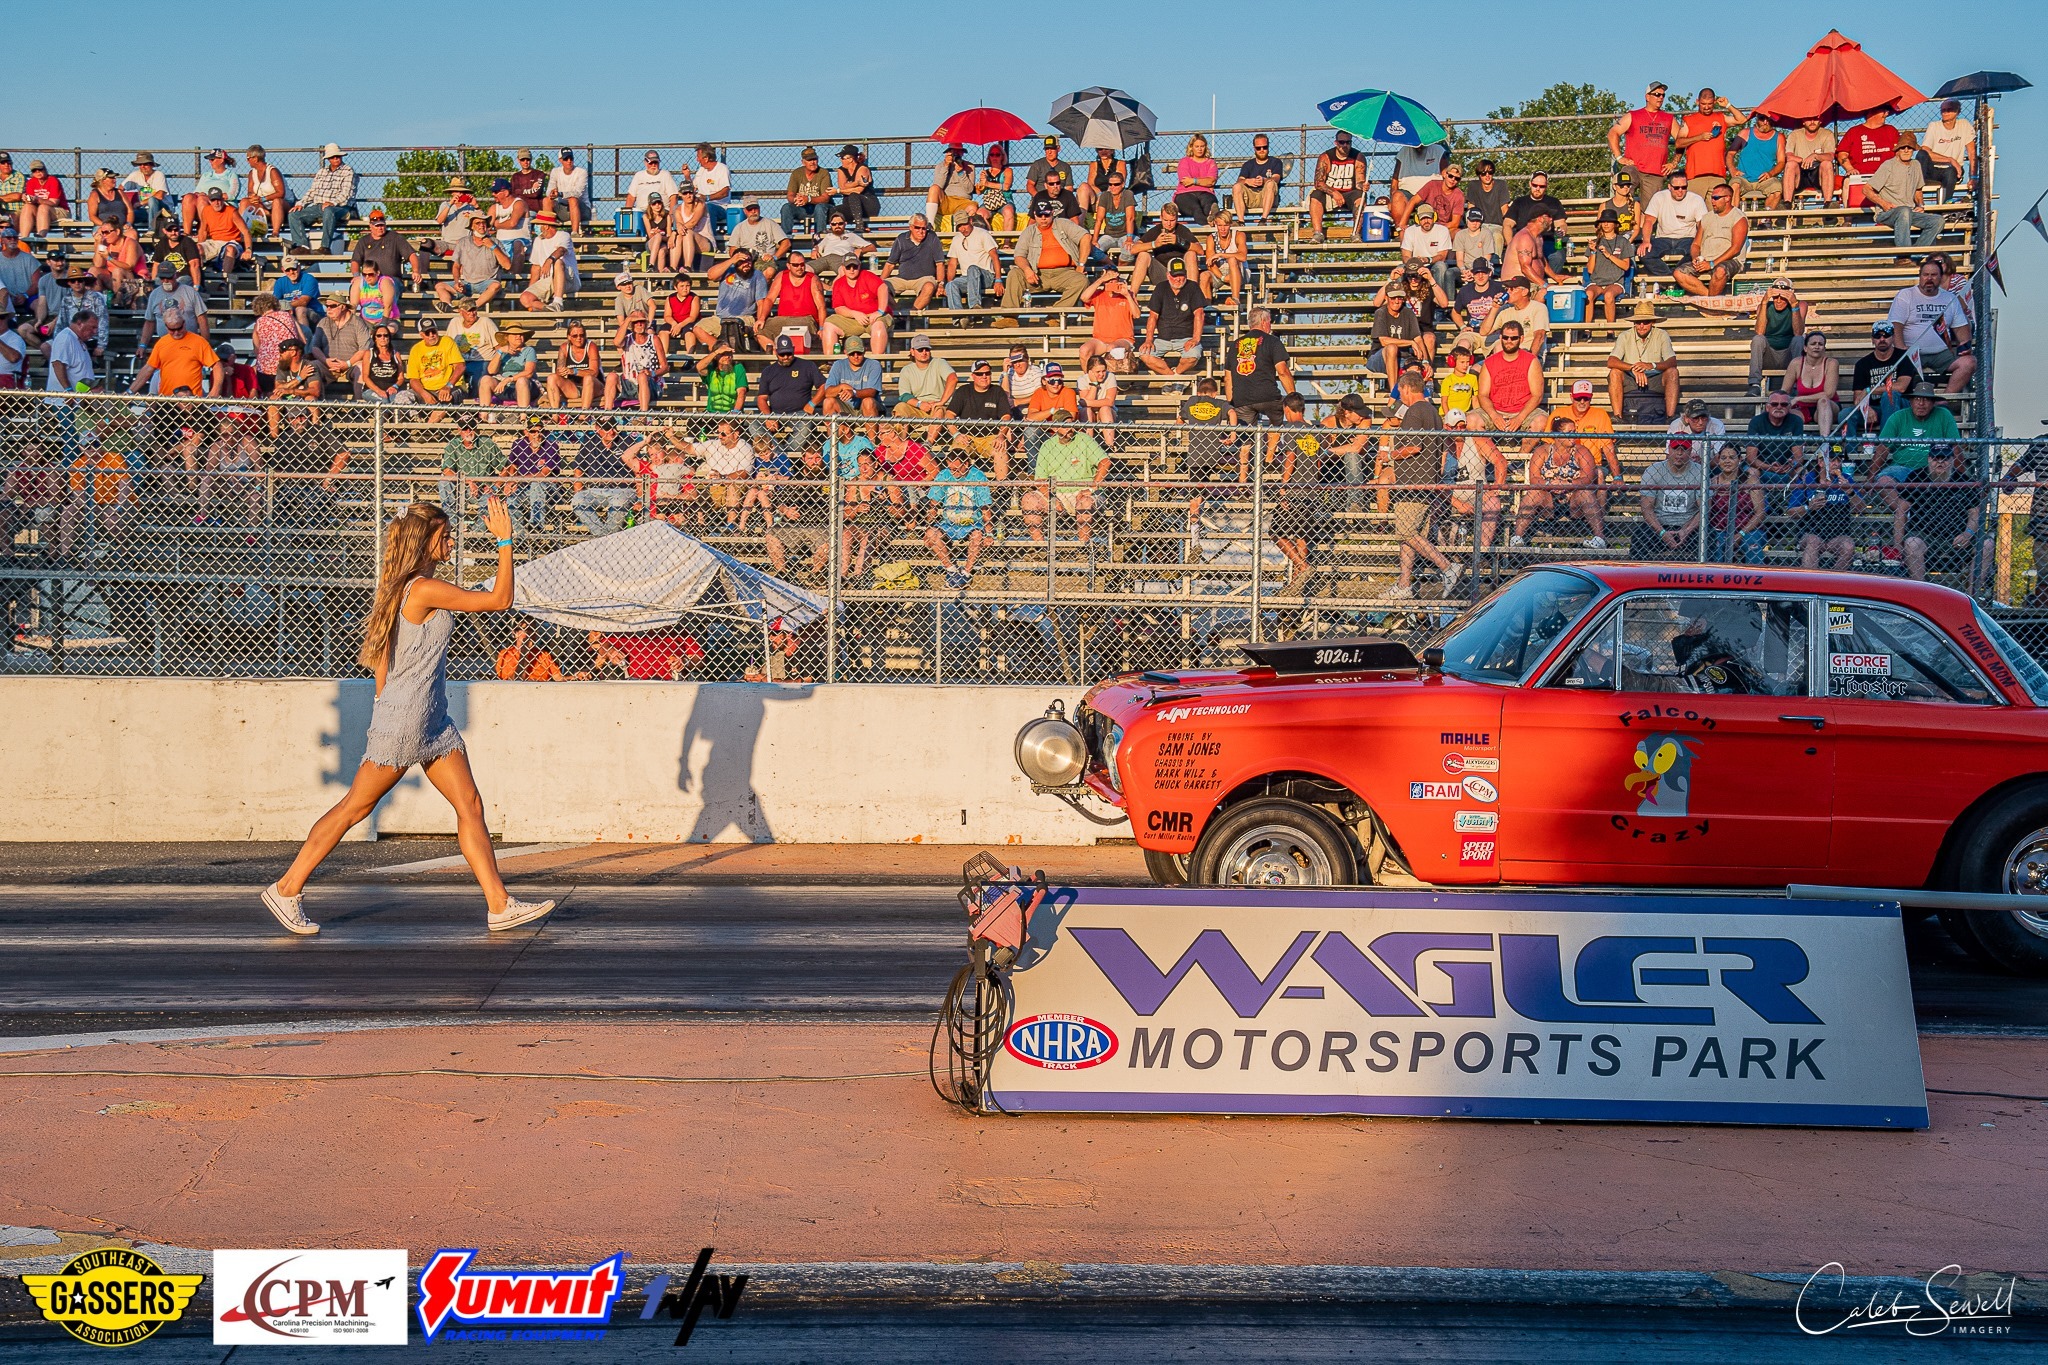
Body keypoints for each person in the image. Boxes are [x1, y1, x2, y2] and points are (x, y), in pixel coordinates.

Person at [265, 500, 555, 936]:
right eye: (445, 535)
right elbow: (500, 599)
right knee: (354, 808)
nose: (452, 541)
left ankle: (499, 904)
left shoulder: (403, 586)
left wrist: (388, 703)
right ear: (425, 541)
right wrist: (505, 540)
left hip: (432, 721)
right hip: (405, 724)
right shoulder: (420, 589)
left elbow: (382, 659)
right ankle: (287, 889)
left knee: (470, 805)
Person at [1384, 373, 1459, 598]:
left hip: (1413, 484)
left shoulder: (1415, 411)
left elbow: (1414, 446)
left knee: (1406, 532)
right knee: (1411, 536)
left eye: (1400, 391)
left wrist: (1391, 456)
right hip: (1427, 482)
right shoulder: (1433, 412)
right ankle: (1405, 584)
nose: (1401, 397)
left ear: (1407, 388)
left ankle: (1448, 567)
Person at [1512, 418, 1607, 549]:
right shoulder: (1542, 451)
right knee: (1533, 493)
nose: (1574, 435)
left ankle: (1599, 538)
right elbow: (1534, 478)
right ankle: (1517, 538)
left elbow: (1588, 478)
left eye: (1575, 431)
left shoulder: (1581, 451)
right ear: (1557, 435)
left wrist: (1568, 483)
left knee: (1585, 492)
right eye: (1569, 432)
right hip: (1548, 500)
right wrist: (1550, 484)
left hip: (1574, 500)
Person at [1887, 256, 1975, 395]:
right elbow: (1896, 325)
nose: (1929, 278)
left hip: (1940, 353)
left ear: (1940, 277)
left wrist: (1965, 344)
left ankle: (1944, 398)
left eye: (1933, 275)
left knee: (1969, 362)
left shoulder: (1950, 298)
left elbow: (1961, 327)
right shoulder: (1906, 295)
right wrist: (1901, 350)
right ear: (1920, 276)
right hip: (1910, 352)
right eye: (1925, 275)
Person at [1900, 445, 1983, 586]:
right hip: (1925, 536)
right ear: (1928, 459)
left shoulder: (1963, 479)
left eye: (1944, 458)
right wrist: (1897, 544)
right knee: (1912, 544)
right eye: (1935, 458)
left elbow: (1975, 512)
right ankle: (1920, 593)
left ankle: (1973, 596)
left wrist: (1968, 534)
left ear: (1952, 460)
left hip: (1957, 537)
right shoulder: (1916, 477)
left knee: (1986, 544)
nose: (1940, 462)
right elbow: (1901, 511)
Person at [1022, 420, 1109, 541]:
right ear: (1056, 428)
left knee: (1086, 503)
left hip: (1084, 492)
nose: (1069, 428)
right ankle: (1040, 548)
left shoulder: (1084, 439)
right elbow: (1040, 479)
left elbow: (1105, 462)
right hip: (1056, 493)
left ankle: (1083, 549)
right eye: (1065, 425)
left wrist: (1092, 488)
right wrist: (1050, 497)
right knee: (1028, 499)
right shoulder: (1048, 445)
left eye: (1071, 424)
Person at [998, 202, 1090, 313]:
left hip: (1065, 273)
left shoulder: (1063, 224)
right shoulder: (1028, 231)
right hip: (1037, 274)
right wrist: (1027, 270)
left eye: (1046, 215)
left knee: (1081, 281)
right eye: (1040, 215)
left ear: (1052, 213)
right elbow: (1019, 256)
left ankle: (1056, 315)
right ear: (1035, 215)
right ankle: (1009, 316)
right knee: (1014, 274)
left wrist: (1081, 265)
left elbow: (1085, 237)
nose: (1043, 218)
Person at [922, 446, 992, 586]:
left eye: (956, 469)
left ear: (966, 464)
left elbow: (985, 508)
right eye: (951, 469)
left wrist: (989, 533)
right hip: (948, 523)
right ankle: (952, 570)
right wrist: (928, 526)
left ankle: (966, 573)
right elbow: (933, 505)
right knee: (931, 534)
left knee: (977, 536)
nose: (953, 472)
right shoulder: (944, 475)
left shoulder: (977, 476)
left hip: (972, 522)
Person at [1867, 136, 1942, 262]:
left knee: (1937, 220)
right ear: (1898, 149)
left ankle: (1914, 257)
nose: (1906, 150)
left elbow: (1918, 190)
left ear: (1913, 150)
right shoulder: (1888, 165)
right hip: (1888, 212)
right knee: (1904, 211)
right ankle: (1903, 256)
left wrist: (1921, 205)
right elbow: (1867, 189)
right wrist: (1883, 203)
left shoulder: (1916, 165)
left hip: (1909, 211)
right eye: (1903, 147)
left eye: (1909, 148)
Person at [1785, 445, 1861, 570]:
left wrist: (1850, 492)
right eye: (1832, 459)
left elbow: (1861, 509)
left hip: (1838, 533)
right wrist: (1809, 507)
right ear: (1820, 462)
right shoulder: (1808, 479)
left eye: (1839, 460)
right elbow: (1791, 512)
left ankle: (1833, 584)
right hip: (1810, 532)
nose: (1836, 464)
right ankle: (1810, 585)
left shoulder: (1846, 480)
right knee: (1813, 541)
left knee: (1848, 545)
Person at [1607, 299, 1679, 422]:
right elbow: (1611, 361)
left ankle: (1670, 416)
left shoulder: (1662, 335)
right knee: (1614, 372)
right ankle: (1618, 416)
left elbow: (1672, 361)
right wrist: (1633, 368)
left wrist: (1651, 365)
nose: (1641, 325)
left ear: (1653, 322)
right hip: (1631, 377)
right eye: (1638, 322)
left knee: (1672, 372)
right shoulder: (1624, 336)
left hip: (1656, 378)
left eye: (1645, 322)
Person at [1633, 437, 1704, 560]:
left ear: (1690, 451)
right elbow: (1646, 509)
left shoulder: (1699, 472)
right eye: (1676, 448)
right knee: (1639, 536)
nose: (1679, 453)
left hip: (1689, 526)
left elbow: (1704, 509)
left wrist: (1686, 530)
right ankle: (1639, 577)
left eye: (1684, 449)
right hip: (1660, 525)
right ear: (1669, 449)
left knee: (1709, 536)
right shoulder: (1654, 471)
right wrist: (1661, 532)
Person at [1223, 307, 1294, 426]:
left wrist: (1232, 403)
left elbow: (1228, 378)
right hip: (1267, 395)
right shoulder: (1272, 341)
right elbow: (1282, 371)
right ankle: (1272, 443)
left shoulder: (1235, 344)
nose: (1270, 325)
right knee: (1275, 427)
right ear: (1263, 321)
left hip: (1241, 399)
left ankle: (1247, 444)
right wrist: (1292, 397)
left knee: (1244, 438)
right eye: (1270, 322)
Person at [1672, 184, 1747, 296]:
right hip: (1705, 259)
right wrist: (1696, 258)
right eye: (1712, 197)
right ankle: (1709, 298)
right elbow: (1696, 244)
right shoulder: (1706, 218)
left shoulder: (1739, 218)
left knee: (1720, 271)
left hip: (1730, 260)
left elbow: (1735, 249)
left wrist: (1712, 264)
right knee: (1678, 273)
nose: (1712, 201)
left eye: (1716, 198)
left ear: (1727, 198)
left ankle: (1711, 304)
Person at [131, 307, 222, 399]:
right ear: (166, 326)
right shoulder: (161, 343)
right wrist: (130, 391)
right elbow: (149, 368)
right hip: (167, 400)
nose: (176, 332)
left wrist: (215, 390)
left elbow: (217, 365)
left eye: (179, 328)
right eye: (172, 330)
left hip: (191, 400)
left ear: (184, 323)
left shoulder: (199, 342)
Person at [1609, 82, 1676, 201]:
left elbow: (1682, 140)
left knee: (1651, 210)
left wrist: (1674, 163)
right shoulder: (1633, 115)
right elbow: (1613, 133)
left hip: (1655, 171)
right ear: (1647, 96)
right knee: (1626, 187)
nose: (1660, 98)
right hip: (1634, 166)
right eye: (1657, 94)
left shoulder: (1668, 118)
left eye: (1663, 95)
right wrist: (1619, 157)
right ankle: (1624, 216)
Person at [1476, 320, 1544, 434]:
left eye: (1513, 338)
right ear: (1501, 337)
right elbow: (1482, 395)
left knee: (1541, 422)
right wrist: (1494, 416)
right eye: (1505, 337)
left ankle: (1523, 452)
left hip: (1523, 411)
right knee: (1472, 420)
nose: (1509, 341)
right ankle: (1493, 453)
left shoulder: (1531, 360)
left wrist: (1520, 418)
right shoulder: (1489, 362)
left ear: (1521, 339)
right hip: (1496, 409)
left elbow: (1537, 395)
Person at [289, 144, 357, 254]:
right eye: (333, 157)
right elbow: (312, 191)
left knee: (329, 211)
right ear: (329, 159)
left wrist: (332, 202)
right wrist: (301, 203)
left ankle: (325, 247)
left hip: (341, 207)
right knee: (293, 215)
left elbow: (346, 194)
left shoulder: (348, 171)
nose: (336, 159)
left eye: (338, 156)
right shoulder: (322, 172)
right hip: (319, 206)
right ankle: (302, 246)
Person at [1747, 276, 1808, 396]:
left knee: (1799, 339)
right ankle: (1755, 384)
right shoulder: (1764, 306)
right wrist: (1764, 302)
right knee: (1757, 339)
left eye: (1783, 297)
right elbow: (1759, 331)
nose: (1779, 300)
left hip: (1789, 354)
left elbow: (1798, 332)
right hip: (1769, 354)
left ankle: (1797, 384)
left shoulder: (1800, 305)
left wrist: (1794, 304)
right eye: (1775, 296)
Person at [756, 250, 827, 352]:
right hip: (783, 319)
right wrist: (762, 318)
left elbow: (821, 306)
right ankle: (776, 355)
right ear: (788, 266)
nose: (799, 268)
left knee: (799, 335)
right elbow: (770, 299)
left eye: (802, 264)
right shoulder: (781, 276)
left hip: (805, 319)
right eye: (796, 265)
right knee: (759, 331)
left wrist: (821, 328)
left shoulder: (812, 279)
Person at [1673, 89, 1740, 196]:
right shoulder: (1689, 120)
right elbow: (1678, 143)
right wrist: (1700, 137)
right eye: (1703, 104)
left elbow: (1741, 120)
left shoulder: (1721, 117)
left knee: (1718, 211)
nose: (1706, 107)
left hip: (1718, 176)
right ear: (1697, 102)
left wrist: (1728, 105)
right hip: (1695, 176)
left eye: (1709, 104)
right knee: (1695, 211)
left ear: (1714, 102)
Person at [1638, 171, 1706, 274]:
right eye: (1676, 188)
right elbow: (1648, 221)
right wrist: (1646, 241)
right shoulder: (1659, 197)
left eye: (1684, 187)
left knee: (1696, 253)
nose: (1680, 191)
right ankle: (1670, 276)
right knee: (1644, 253)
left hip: (1687, 239)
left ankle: (1677, 274)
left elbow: (1702, 225)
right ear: (1669, 187)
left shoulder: (1696, 200)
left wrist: (1698, 244)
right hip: (1663, 239)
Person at [438, 213, 510, 309]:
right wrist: (457, 282)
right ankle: (448, 307)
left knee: (496, 285)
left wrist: (493, 247)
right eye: (478, 223)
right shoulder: (463, 242)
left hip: (487, 283)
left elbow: (507, 266)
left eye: (484, 222)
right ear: (472, 226)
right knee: (440, 286)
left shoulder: (496, 242)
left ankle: (472, 308)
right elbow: (456, 266)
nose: (481, 225)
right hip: (467, 283)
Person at [823, 258, 893, 355]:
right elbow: (838, 307)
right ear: (843, 268)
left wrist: (879, 311)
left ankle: (877, 362)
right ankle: (830, 363)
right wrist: (854, 314)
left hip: (875, 317)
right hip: (852, 319)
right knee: (828, 324)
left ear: (859, 266)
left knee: (878, 326)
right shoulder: (839, 283)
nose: (852, 270)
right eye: (848, 267)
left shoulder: (867, 276)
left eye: (854, 266)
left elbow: (883, 288)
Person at [1307, 131, 1367, 244]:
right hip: (1330, 193)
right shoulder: (1326, 157)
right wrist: (1334, 192)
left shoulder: (1358, 157)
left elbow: (1359, 182)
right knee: (1315, 195)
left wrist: (1364, 185)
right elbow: (1318, 182)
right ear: (1336, 143)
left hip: (1350, 193)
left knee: (1361, 197)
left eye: (1348, 142)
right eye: (1341, 142)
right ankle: (1318, 233)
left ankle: (1356, 233)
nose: (1345, 145)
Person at [880, 214, 944, 313]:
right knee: (880, 288)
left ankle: (911, 313)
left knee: (929, 287)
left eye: (924, 228)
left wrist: (940, 283)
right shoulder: (901, 239)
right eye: (917, 227)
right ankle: (899, 313)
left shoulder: (932, 237)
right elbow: (890, 264)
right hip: (902, 278)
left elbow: (939, 263)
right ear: (910, 227)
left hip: (924, 279)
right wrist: (879, 282)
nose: (921, 231)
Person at [1743, 389, 1808, 485]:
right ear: (1767, 407)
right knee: (1752, 472)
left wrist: (1792, 464)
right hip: (1761, 467)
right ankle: (1758, 500)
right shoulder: (1756, 421)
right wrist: (1768, 467)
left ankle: (1794, 500)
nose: (1779, 407)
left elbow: (1798, 456)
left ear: (1789, 407)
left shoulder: (1796, 421)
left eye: (1784, 404)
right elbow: (1751, 458)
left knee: (1801, 470)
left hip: (1787, 467)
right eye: (1774, 404)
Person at [1780, 331, 1838, 436]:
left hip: (1828, 407)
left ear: (1824, 349)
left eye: (1820, 344)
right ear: (1805, 348)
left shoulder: (1831, 363)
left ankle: (1824, 443)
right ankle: (1784, 445)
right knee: (1778, 411)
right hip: (1803, 409)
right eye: (1813, 344)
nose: (1817, 346)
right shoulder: (1796, 363)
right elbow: (1784, 391)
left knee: (1823, 401)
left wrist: (1798, 398)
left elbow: (1829, 394)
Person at [406, 315, 465, 411]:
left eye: (433, 331)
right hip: (426, 389)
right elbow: (413, 379)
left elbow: (460, 366)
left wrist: (448, 386)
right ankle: (414, 422)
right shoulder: (416, 349)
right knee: (402, 396)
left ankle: (428, 426)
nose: (431, 335)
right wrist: (424, 394)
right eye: (427, 333)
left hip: (448, 387)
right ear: (421, 335)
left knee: (446, 397)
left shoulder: (447, 341)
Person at [944, 210, 1001, 310]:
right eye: (959, 226)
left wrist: (998, 280)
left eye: (964, 225)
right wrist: (949, 282)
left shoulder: (983, 234)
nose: (962, 229)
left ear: (970, 221)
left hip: (985, 276)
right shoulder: (956, 239)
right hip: (966, 278)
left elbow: (995, 257)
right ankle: (959, 317)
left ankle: (975, 306)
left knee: (972, 268)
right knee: (950, 285)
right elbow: (952, 264)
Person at [1920, 99, 1975, 200]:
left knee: (1950, 172)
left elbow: (1972, 153)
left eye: (1949, 110)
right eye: (1943, 110)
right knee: (1921, 155)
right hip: (1934, 168)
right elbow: (1925, 151)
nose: (1945, 113)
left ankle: (1946, 202)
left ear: (1957, 111)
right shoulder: (1934, 126)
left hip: (1953, 170)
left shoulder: (1964, 125)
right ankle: (1916, 196)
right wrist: (1950, 159)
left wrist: (1973, 177)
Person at [1586, 211, 1633, 322]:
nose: (1606, 224)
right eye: (1603, 222)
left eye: (1609, 222)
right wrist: (1593, 252)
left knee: (1608, 295)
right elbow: (1590, 269)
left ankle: (1610, 329)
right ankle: (1587, 329)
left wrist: (1609, 255)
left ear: (1615, 224)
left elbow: (1626, 266)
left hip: (1615, 282)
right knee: (1588, 294)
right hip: (1596, 282)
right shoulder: (1595, 242)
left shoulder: (1623, 242)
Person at [820, 335, 883, 418]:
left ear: (865, 350)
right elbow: (828, 393)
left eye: (859, 353)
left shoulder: (874, 365)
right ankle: (833, 430)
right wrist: (842, 386)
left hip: (866, 407)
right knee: (828, 402)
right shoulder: (838, 365)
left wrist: (853, 392)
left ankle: (872, 431)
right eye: (852, 353)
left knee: (868, 401)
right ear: (846, 352)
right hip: (845, 408)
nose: (856, 356)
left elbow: (872, 392)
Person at [480, 320, 538, 407]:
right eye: (515, 334)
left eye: (521, 334)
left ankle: (523, 417)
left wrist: (509, 379)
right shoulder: (502, 351)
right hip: (504, 387)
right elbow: (491, 371)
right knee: (485, 379)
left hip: (525, 386)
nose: (518, 336)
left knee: (521, 381)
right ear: (507, 337)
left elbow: (529, 372)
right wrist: (500, 352)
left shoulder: (529, 350)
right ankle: (484, 415)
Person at [546, 322, 604, 410]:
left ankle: (583, 416)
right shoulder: (564, 348)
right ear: (569, 337)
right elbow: (558, 371)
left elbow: (594, 373)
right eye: (575, 336)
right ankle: (555, 416)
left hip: (594, 386)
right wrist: (562, 371)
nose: (579, 338)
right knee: (552, 378)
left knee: (588, 378)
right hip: (574, 387)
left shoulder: (591, 347)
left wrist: (574, 371)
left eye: (582, 335)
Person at [1401, 203, 1455, 296]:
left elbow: (1442, 256)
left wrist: (1427, 259)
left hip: (1433, 264)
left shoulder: (1442, 230)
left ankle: (1439, 304)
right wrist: (1413, 263)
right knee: (1399, 269)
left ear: (1434, 217)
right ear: (1417, 219)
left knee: (1441, 266)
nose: (1426, 221)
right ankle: (1403, 302)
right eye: (1422, 218)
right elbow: (1405, 255)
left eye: (1429, 218)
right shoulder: (1410, 231)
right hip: (1414, 266)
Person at [1782, 117, 1838, 206]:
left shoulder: (1827, 134)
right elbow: (1788, 156)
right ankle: (1787, 203)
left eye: (1815, 119)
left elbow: (1830, 156)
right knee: (1790, 164)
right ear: (1803, 122)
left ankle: (1828, 203)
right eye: (1809, 119)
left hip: (1818, 172)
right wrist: (1803, 160)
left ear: (1820, 121)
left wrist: (1815, 156)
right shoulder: (1795, 134)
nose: (1812, 122)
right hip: (1800, 172)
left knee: (1827, 164)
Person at [1732, 113, 1786, 205]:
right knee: (1734, 185)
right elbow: (1730, 154)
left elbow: (1781, 162)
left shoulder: (1779, 137)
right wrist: (1732, 169)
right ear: (1757, 119)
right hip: (1744, 178)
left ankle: (1766, 219)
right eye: (1762, 119)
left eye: (1768, 119)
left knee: (1776, 189)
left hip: (1765, 180)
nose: (1765, 122)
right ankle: (1734, 217)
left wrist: (1771, 173)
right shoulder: (1745, 133)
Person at [1233, 135, 1285, 221]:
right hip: (1251, 197)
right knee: (1237, 187)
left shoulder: (1276, 162)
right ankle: (1241, 221)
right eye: (1258, 148)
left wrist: (1264, 181)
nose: (1262, 150)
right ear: (1254, 149)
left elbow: (1276, 178)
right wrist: (1247, 181)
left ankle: (1263, 219)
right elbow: (1239, 180)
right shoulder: (1248, 165)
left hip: (1268, 196)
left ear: (1268, 147)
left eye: (1264, 147)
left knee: (1271, 184)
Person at [1172, 135, 1220, 223]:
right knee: (1196, 208)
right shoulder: (1184, 161)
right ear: (1191, 147)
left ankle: (1212, 216)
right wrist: (1205, 182)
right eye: (1197, 146)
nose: (1200, 149)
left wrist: (1193, 181)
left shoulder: (1211, 162)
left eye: (1202, 146)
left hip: (1205, 194)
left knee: (1208, 205)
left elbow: (1211, 181)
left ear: (1205, 147)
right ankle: (1209, 223)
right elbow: (1185, 181)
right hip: (1185, 194)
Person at [691, 144, 733, 240]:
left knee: (708, 208)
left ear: (706, 158)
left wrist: (707, 198)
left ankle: (711, 241)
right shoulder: (701, 170)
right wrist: (687, 176)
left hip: (719, 207)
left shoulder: (722, 169)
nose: (697, 160)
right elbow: (692, 188)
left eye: (698, 157)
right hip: (700, 205)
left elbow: (725, 191)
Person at [545, 148, 591, 233]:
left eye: (571, 158)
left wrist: (559, 194)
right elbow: (548, 192)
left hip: (582, 209)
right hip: (563, 209)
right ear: (560, 160)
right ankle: (548, 232)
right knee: (546, 200)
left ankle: (575, 233)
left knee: (573, 199)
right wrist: (552, 194)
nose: (569, 161)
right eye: (566, 159)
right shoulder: (555, 172)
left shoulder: (581, 172)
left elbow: (577, 193)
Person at [833, 145, 878, 233]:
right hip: (849, 206)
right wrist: (856, 183)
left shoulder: (862, 169)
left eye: (843, 158)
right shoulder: (841, 170)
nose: (841, 160)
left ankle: (859, 225)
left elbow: (858, 190)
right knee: (833, 211)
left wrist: (839, 191)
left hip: (867, 204)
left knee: (854, 196)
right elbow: (843, 186)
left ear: (850, 159)